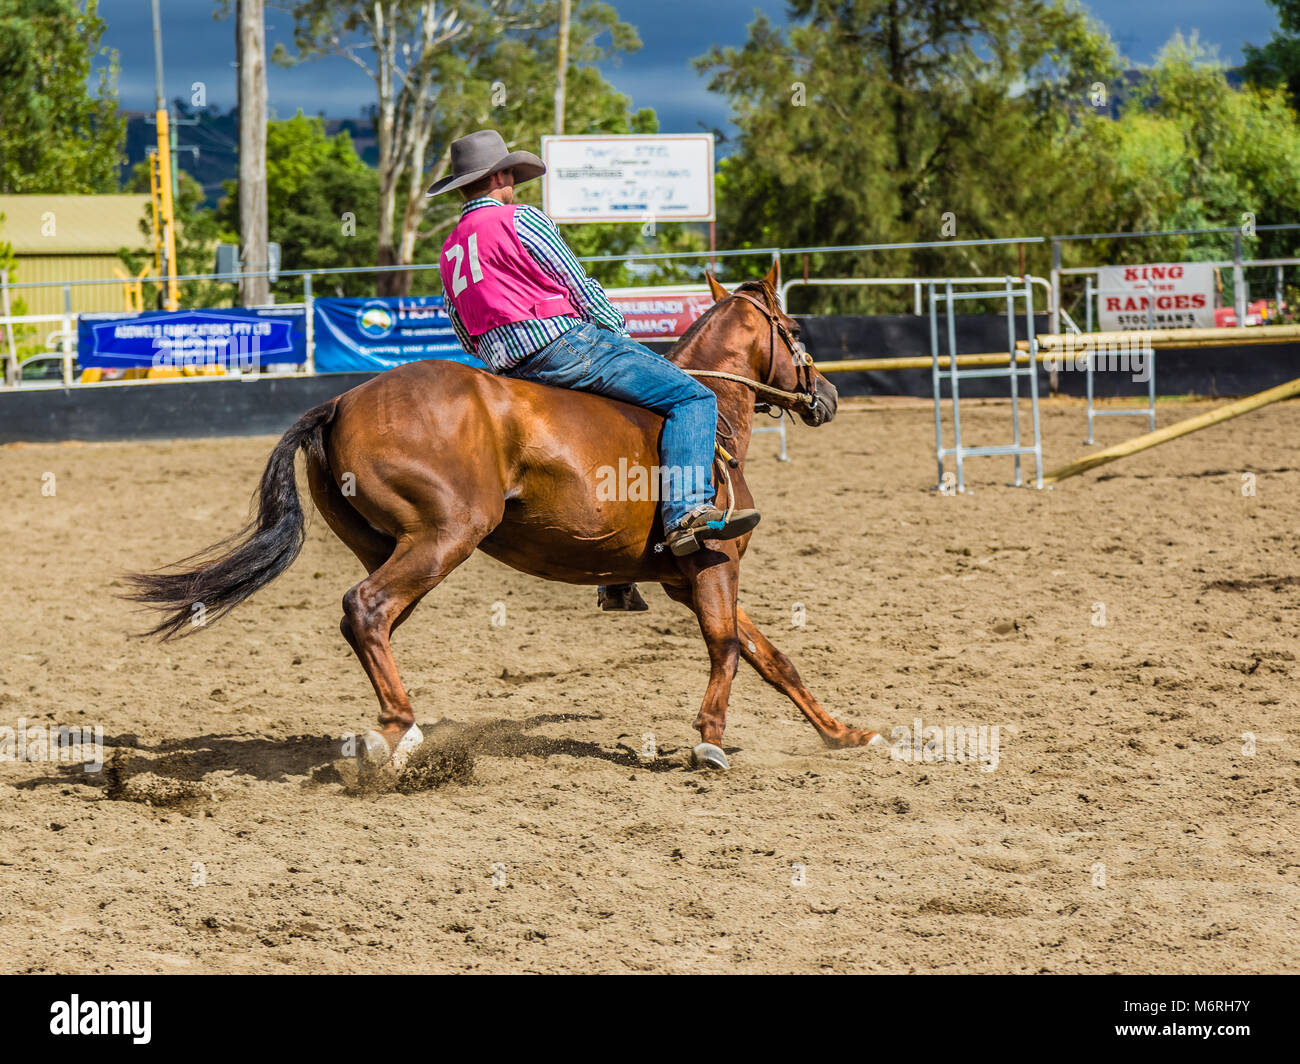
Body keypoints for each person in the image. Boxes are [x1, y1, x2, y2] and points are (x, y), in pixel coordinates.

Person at [429, 129, 759, 556]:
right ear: (501, 176)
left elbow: (461, 325)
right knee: (691, 399)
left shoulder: (450, 249)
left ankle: (616, 576)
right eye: (511, 176)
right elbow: (577, 283)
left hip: (507, 369)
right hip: (566, 347)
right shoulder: (522, 219)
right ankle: (685, 513)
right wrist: (617, 334)